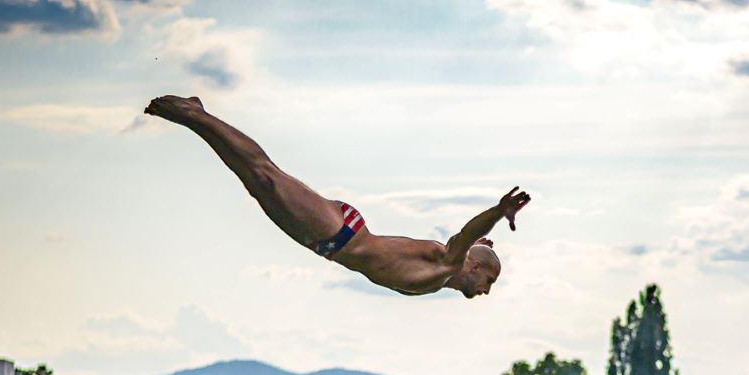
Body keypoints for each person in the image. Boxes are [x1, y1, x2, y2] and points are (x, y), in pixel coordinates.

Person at [143, 95, 523, 298]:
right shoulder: (447, 263)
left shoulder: (444, 272)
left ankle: (200, 117)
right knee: (265, 175)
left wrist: (481, 238)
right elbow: (462, 236)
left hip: (328, 242)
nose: (487, 292)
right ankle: (194, 114)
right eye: (490, 281)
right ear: (474, 268)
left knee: (255, 182)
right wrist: (497, 211)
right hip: (340, 233)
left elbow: (469, 238)